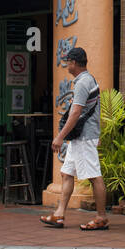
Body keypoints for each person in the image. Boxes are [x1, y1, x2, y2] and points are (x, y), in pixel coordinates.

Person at [40, 47, 109, 230]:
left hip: (84, 137)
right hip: (82, 136)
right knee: (66, 173)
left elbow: (76, 112)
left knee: (94, 177)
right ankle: (59, 215)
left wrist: (60, 137)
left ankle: (101, 217)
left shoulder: (82, 83)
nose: (67, 65)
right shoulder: (88, 79)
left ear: (74, 63)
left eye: (68, 62)